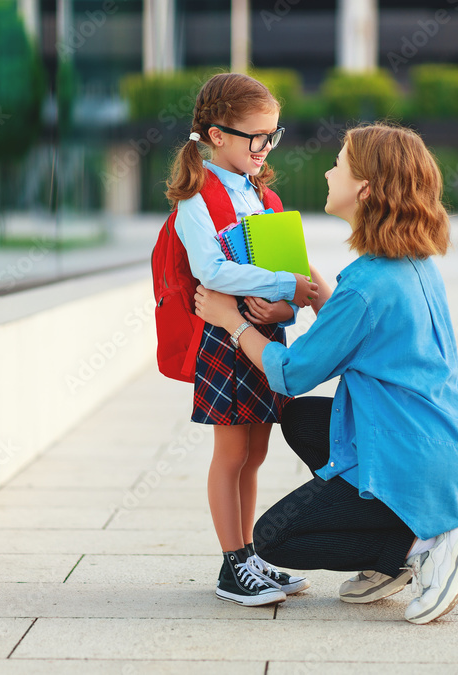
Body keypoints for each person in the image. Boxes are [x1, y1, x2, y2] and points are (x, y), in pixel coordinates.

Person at [194, 123, 458, 624]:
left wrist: (229, 322)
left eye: (339, 164)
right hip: (451, 450)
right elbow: (364, 334)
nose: (330, 171)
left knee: (273, 537)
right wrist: (315, 297)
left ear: (366, 189)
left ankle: (425, 543)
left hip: (413, 463)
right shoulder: (410, 264)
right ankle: (391, 560)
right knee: (305, 421)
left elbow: (289, 374)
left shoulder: (368, 284)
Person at [166, 72, 319, 607]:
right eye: (255, 136)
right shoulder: (196, 197)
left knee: (255, 452)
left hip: (260, 335)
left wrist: (286, 303)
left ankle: (250, 555)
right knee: (231, 453)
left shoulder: (261, 195)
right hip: (226, 342)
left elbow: (283, 268)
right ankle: (233, 566)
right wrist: (284, 285)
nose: (265, 147)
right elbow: (211, 270)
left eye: (272, 135)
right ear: (216, 135)